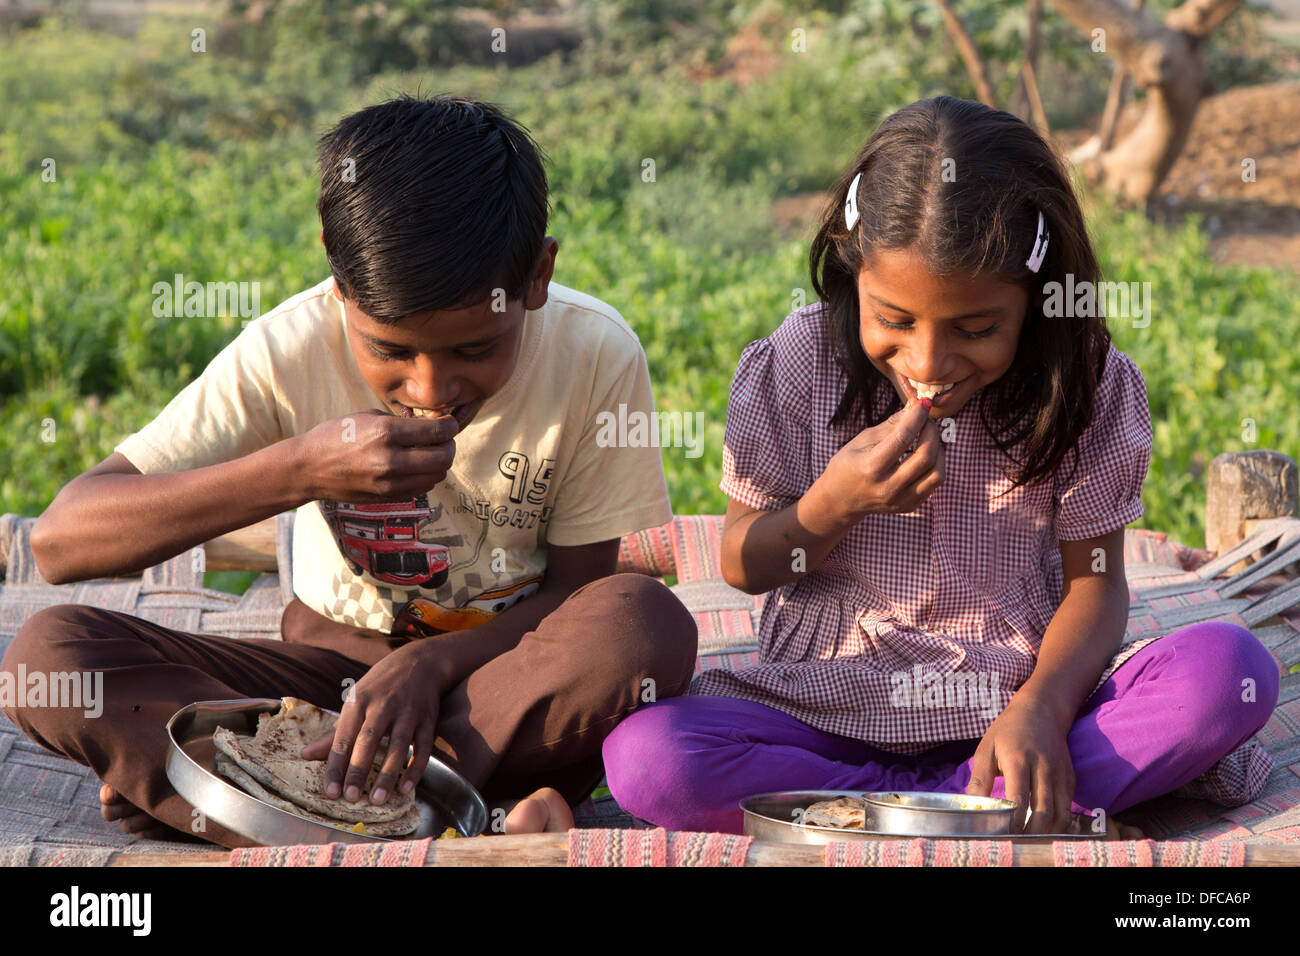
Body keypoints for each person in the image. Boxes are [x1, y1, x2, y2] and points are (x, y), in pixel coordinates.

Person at [2, 94, 697, 848]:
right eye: (390, 352)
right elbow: (63, 543)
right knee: (47, 659)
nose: (430, 391)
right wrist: (298, 469)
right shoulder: (290, 348)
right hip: (320, 681)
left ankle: (252, 795)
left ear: (538, 275)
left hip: (497, 680)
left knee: (641, 622)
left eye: (473, 351)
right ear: (337, 273)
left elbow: (578, 595)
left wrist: (433, 665)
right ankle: (449, 809)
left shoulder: (593, 353)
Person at [602, 95, 1278, 837]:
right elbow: (742, 563)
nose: (928, 363)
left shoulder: (1083, 386)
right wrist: (832, 505)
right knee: (649, 759)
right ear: (852, 273)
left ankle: (880, 816)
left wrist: (1043, 710)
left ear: (1036, 298)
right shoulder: (801, 362)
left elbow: (1095, 581)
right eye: (893, 320)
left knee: (1227, 673)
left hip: (1014, 706)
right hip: (827, 708)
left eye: (977, 328)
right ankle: (979, 813)